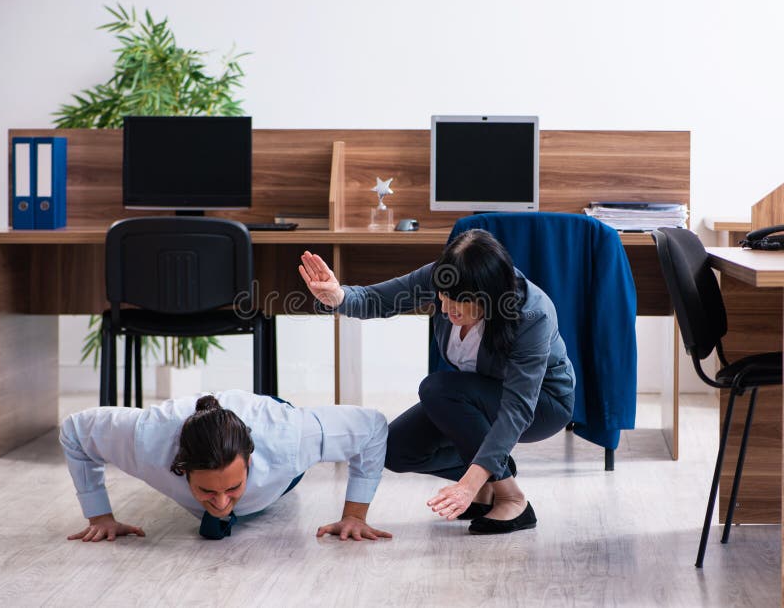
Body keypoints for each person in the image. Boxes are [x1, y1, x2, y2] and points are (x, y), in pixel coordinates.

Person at [299, 228, 575, 535]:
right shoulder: (443, 277)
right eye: (443, 299)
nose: (444, 309)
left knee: (438, 389)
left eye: (457, 303)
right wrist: (338, 297)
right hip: (476, 396)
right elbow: (377, 299)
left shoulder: (532, 314)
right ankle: (489, 483)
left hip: (541, 405)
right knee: (395, 450)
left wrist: (466, 485)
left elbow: (517, 408)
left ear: (489, 295)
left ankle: (512, 498)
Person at [60, 390, 392, 543]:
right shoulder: (144, 441)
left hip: (274, 436)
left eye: (232, 487)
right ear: (181, 467)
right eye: (206, 489)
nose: (220, 503)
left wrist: (354, 515)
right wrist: (100, 516)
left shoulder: (292, 439)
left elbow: (373, 427)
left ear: (250, 461)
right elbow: (74, 430)